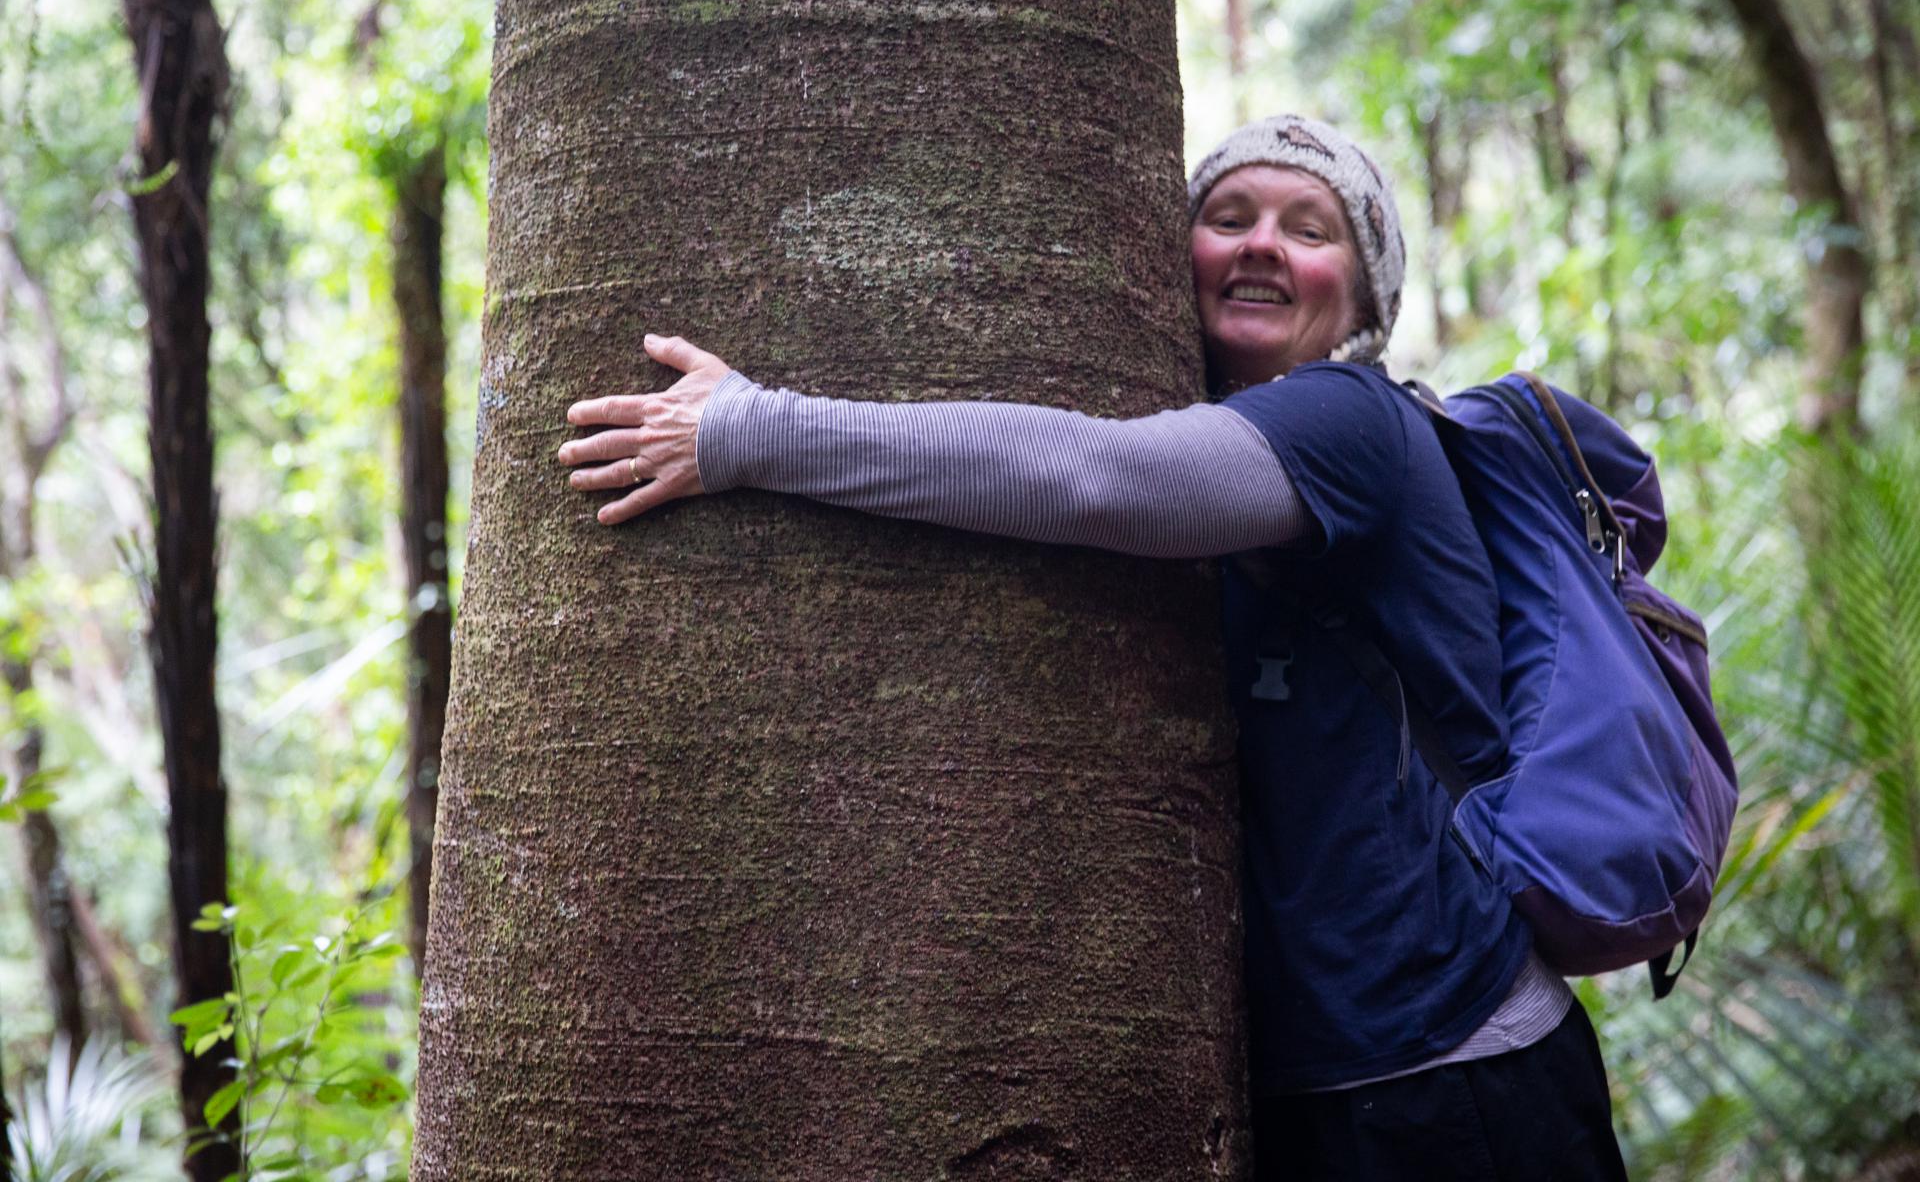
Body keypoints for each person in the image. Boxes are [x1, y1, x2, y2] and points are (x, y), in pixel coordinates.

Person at [556, 114, 1630, 1180]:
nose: (1261, 242)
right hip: (1324, 1076)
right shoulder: (1246, 451)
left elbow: (1096, 479)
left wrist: (755, 429)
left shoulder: (1353, 423)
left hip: (1455, 1077)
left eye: (1311, 229)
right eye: (1228, 215)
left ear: (1365, 296)